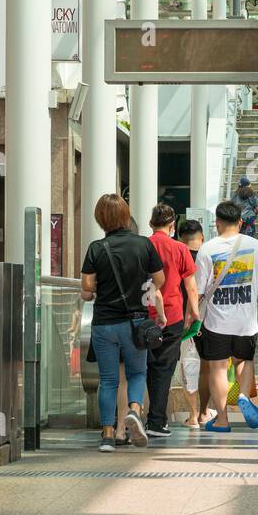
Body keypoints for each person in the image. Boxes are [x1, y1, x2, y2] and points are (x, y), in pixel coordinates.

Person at [81, 194, 165, 453]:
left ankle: (107, 436)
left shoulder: (96, 248)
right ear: (126, 215)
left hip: (104, 323)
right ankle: (135, 411)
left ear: (100, 219)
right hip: (136, 322)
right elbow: (159, 280)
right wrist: (143, 288)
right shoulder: (143, 245)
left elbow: (86, 291)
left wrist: (98, 288)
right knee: (137, 373)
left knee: (108, 380)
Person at [194, 201, 258, 433]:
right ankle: (243, 396)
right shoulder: (257, 246)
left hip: (217, 322)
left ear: (217, 222)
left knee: (218, 368)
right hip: (247, 322)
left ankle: (222, 419)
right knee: (244, 361)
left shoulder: (207, 249)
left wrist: (191, 316)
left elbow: (199, 290)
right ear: (241, 222)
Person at [144, 204, 200, 438]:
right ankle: (156, 421)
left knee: (143, 368)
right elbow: (191, 287)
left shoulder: (143, 245)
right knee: (164, 369)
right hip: (173, 316)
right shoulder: (180, 249)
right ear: (172, 225)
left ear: (151, 224)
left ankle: (140, 415)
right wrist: (194, 313)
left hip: (145, 315)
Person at [176, 219, 214, 429]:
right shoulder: (209, 256)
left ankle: (192, 416)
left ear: (181, 238)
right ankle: (204, 412)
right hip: (212, 319)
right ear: (202, 237)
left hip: (186, 320)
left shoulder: (178, 257)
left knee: (189, 365)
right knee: (208, 367)